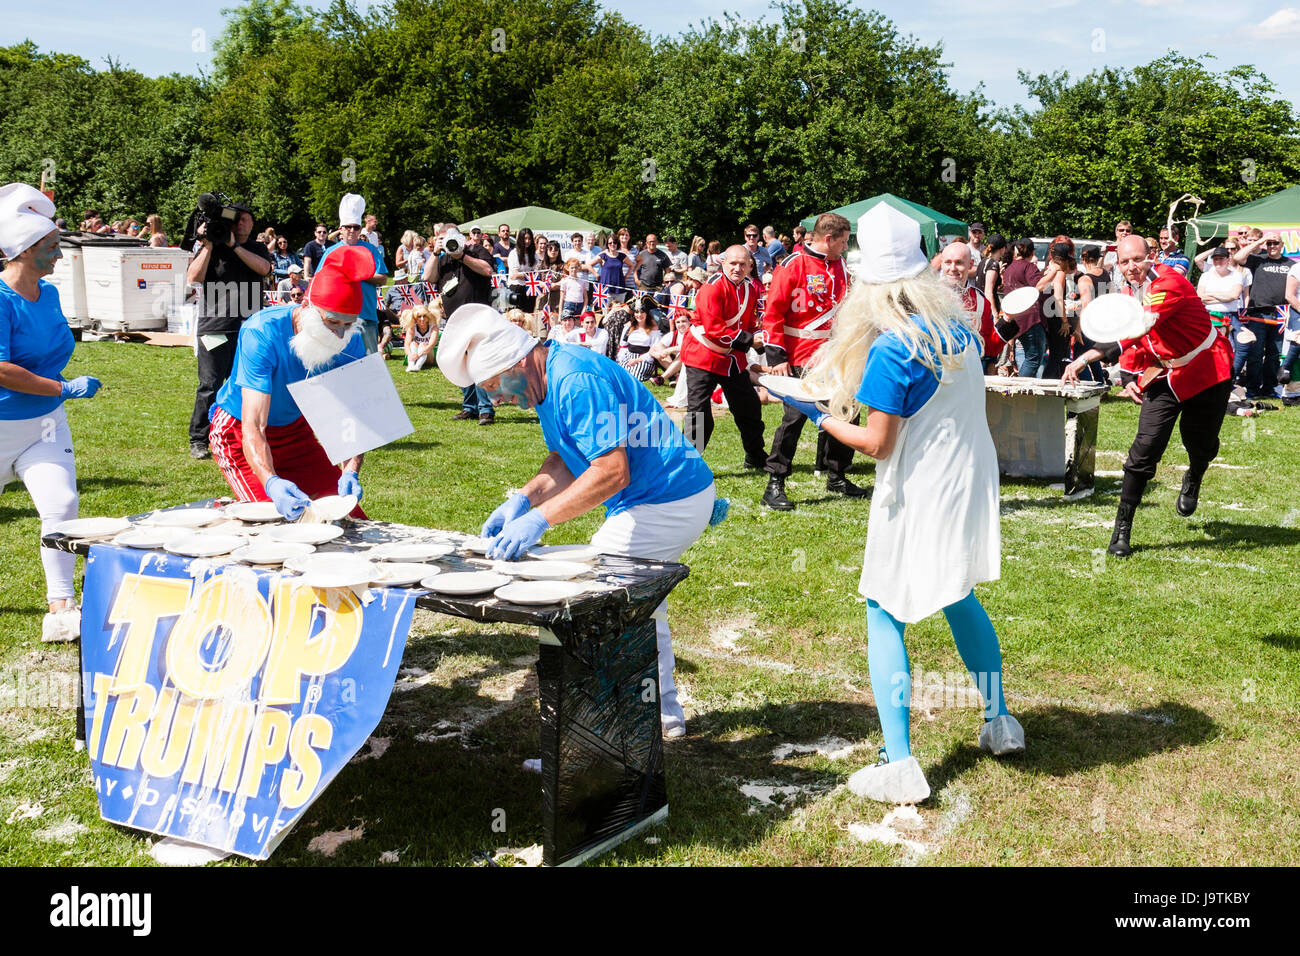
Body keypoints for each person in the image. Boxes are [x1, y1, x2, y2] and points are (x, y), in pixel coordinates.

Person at [781, 202, 1021, 804]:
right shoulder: (958, 330)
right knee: (959, 593)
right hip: (967, 476)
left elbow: (877, 444)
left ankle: (899, 761)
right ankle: (999, 720)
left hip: (922, 485)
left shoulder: (895, 347)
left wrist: (815, 413)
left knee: (883, 608)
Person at [437, 304, 721, 738]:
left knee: (598, 598)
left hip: (669, 498)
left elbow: (610, 471)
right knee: (636, 605)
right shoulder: (548, 379)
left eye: (494, 387)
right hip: (656, 496)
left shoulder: (574, 380)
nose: (496, 401)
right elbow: (568, 458)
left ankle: (609, 722)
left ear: (516, 363)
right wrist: (522, 500)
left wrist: (538, 520)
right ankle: (657, 713)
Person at [1063, 235, 1233, 557]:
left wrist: (1085, 358)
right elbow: (1135, 341)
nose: (1131, 268)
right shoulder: (1128, 292)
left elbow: (1137, 330)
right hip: (1166, 374)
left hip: (1207, 370)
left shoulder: (1169, 282)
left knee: (1201, 443)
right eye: (1124, 262)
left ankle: (1194, 474)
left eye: (1137, 259)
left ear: (1152, 256)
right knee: (1143, 450)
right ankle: (1122, 529)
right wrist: (1127, 374)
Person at [0, 183, 105, 644]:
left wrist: (56, 392)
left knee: (61, 505)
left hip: (45, 424)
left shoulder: (52, 294)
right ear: (22, 251)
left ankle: (62, 605)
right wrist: (63, 386)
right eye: (52, 247)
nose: (59, 256)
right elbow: (2, 368)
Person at [208, 245, 374, 520]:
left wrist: (351, 470)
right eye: (333, 323)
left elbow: (351, 416)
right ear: (308, 307)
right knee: (277, 525)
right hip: (238, 432)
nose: (340, 335)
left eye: (349, 324)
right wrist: (270, 482)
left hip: (295, 431)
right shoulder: (261, 332)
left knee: (351, 519)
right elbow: (254, 425)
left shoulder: (350, 339)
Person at [761, 212, 865, 510]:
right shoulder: (793, 265)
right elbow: (773, 314)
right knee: (794, 419)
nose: (846, 247)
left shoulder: (840, 266)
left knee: (846, 412)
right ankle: (775, 482)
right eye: (843, 241)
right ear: (828, 239)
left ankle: (837, 473)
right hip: (801, 354)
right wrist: (777, 357)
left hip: (836, 354)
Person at [185, 198, 273, 459]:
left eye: (246, 219)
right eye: (237, 219)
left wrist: (235, 246)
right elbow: (193, 277)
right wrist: (210, 245)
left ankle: (238, 436)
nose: (241, 222)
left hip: (249, 329)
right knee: (210, 384)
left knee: (245, 385)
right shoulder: (214, 247)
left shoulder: (257, 247)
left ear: (253, 223)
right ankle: (199, 439)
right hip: (215, 327)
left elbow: (264, 269)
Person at [680, 244, 767, 465]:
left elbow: (747, 323)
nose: (737, 268)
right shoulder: (712, 287)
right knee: (699, 414)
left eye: (742, 264)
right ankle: (688, 463)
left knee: (749, 407)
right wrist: (749, 340)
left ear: (750, 266)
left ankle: (755, 456)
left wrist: (759, 340)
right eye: (733, 264)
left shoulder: (750, 288)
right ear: (723, 263)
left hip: (731, 358)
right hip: (703, 355)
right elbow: (714, 329)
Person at [422, 221, 498, 424]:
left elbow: (488, 270)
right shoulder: (442, 257)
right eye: (444, 239)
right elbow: (428, 277)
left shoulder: (476, 249)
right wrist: (436, 253)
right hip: (455, 319)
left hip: (478, 315)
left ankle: (485, 409)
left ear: (460, 237)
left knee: (479, 362)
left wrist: (462, 256)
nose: (450, 243)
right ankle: (470, 407)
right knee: (461, 363)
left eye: (452, 238)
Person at [320, 195, 388, 354]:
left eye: (356, 227)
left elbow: (383, 278)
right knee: (338, 362)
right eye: (348, 226)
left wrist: (359, 274)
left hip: (366, 315)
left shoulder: (370, 250)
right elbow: (319, 281)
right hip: (336, 317)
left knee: (369, 363)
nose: (352, 230)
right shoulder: (331, 252)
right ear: (341, 228)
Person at [1233, 230, 1296, 397]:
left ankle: (1270, 389)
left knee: (1274, 355)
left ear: (1282, 245)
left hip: (1280, 315)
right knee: (1255, 354)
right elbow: (1238, 258)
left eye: (1275, 243)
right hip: (1257, 315)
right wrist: (1261, 240)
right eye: (1270, 243)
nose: (1272, 246)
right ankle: (1253, 389)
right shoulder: (1257, 260)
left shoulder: (1290, 264)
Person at [939, 240, 1001, 373]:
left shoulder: (980, 300)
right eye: (948, 262)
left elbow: (989, 346)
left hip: (967, 375)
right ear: (941, 264)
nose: (953, 268)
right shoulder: (927, 296)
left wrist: (1007, 320)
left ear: (971, 264)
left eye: (959, 262)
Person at [1001, 238, 1047, 378]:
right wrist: (1051, 273)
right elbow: (1038, 286)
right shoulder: (1029, 267)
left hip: (1015, 318)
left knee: (1025, 354)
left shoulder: (1009, 269)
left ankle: (1023, 390)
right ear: (1032, 252)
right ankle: (1022, 390)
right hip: (1030, 319)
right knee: (1033, 358)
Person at [634, 234, 672, 330]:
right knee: (642, 308)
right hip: (643, 287)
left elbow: (668, 270)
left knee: (655, 310)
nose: (652, 243)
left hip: (657, 288)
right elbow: (634, 269)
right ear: (646, 243)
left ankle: (656, 329)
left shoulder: (663, 255)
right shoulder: (641, 254)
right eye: (650, 241)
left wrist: (666, 283)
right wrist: (636, 280)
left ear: (657, 242)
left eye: (654, 241)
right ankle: (642, 328)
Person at [617, 310, 662, 379]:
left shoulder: (653, 328)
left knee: (634, 375)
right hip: (628, 356)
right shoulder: (629, 326)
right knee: (620, 373)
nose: (639, 315)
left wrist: (637, 360)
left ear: (647, 314)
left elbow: (654, 350)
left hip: (645, 358)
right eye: (637, 312)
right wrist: (620, 359)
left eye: (642, 312)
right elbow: (623, 346)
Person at [507, 226, 541, 312]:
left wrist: (529, 275)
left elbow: (537, 271)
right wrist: (531, 275)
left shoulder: (534, 255)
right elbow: (515, 275)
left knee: (528, 315)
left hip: (530, 288)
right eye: (525, 238)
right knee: (516, 315)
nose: (527, 241)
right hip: (516, 288)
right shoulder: (514, 253)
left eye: (529, 239)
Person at [401, 302, 439, 372]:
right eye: (419, 316)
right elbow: (407, 345)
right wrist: (410, 354)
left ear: (428, 317)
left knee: (422, 344)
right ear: (415, 318)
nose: (422, 319)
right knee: (413, 344)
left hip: (429, 355)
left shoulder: (433, 327)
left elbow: (431, 345)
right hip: (415, 355)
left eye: (424, 316)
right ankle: (411, 366)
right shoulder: (412, 327)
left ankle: (417, 367)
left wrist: (418, 355)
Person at [594, 234, 631, 304]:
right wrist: (596, 274)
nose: (612, 244)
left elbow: (631, 265)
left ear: (617, 244)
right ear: (607, 244)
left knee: (619, 312)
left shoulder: (622, 256)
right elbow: (589, 264)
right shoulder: (603, 255)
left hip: (619, 288)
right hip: (605, 289)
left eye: (614, 242)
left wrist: (626, 276)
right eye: (610, 243)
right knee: (606, 313)